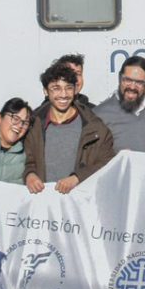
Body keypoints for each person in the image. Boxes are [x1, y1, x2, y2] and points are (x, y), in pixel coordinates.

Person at [23, 62, 115, 195]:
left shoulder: (95, 127)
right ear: (45, 91)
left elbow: (108, 162)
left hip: (80, 204)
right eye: (56, 88)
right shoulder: (33, 125)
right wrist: (29, 174)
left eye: (68, 88)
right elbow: (25, 159)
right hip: (43, 202)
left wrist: (78, 177)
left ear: (75, 90)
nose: (63, 94)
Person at [94, 56, 145, 155]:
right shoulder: (100, 114)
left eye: (139, 82)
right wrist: (117, 157)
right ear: (120, 78)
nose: (132, 87)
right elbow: (93, 156)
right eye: (127, 80)